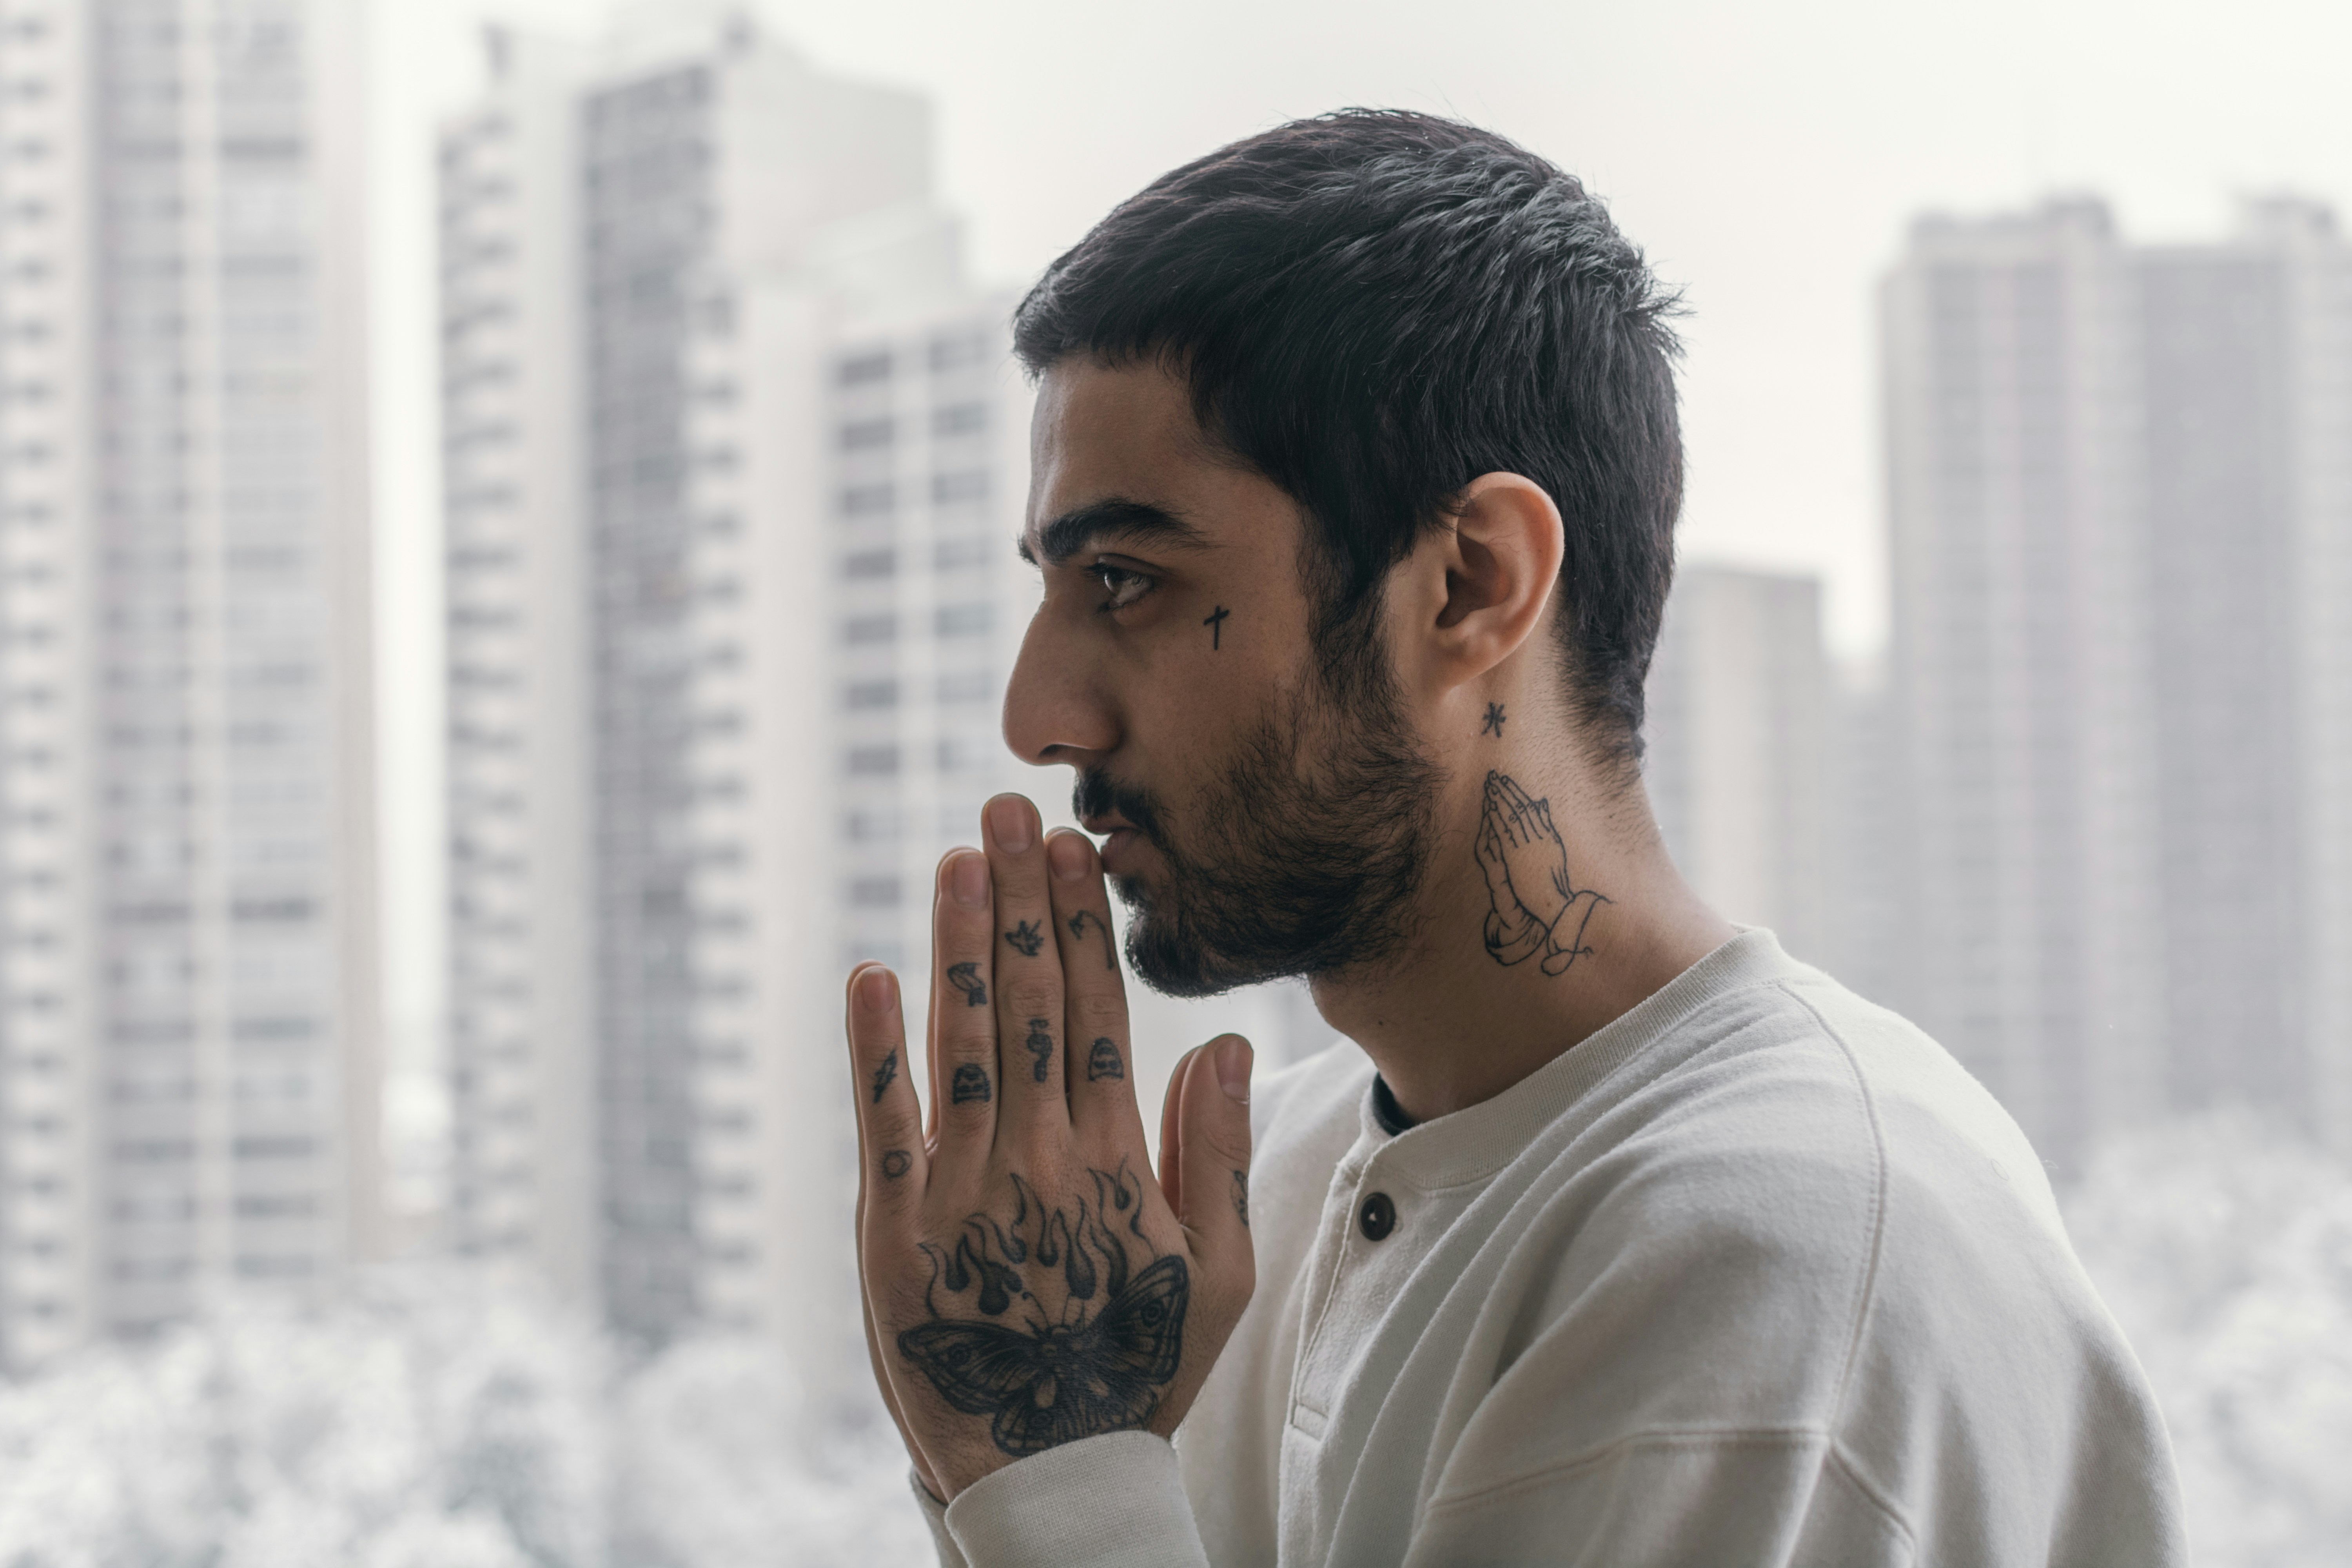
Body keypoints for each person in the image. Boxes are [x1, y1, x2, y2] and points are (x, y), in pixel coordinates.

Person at [840, 110, 2185, 1567]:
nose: (1038, 716)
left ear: (1472, 585)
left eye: (1127, 579)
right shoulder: (1239, 1209)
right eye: (1050, 584)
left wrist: (1061, 1472)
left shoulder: (1758, 1262)